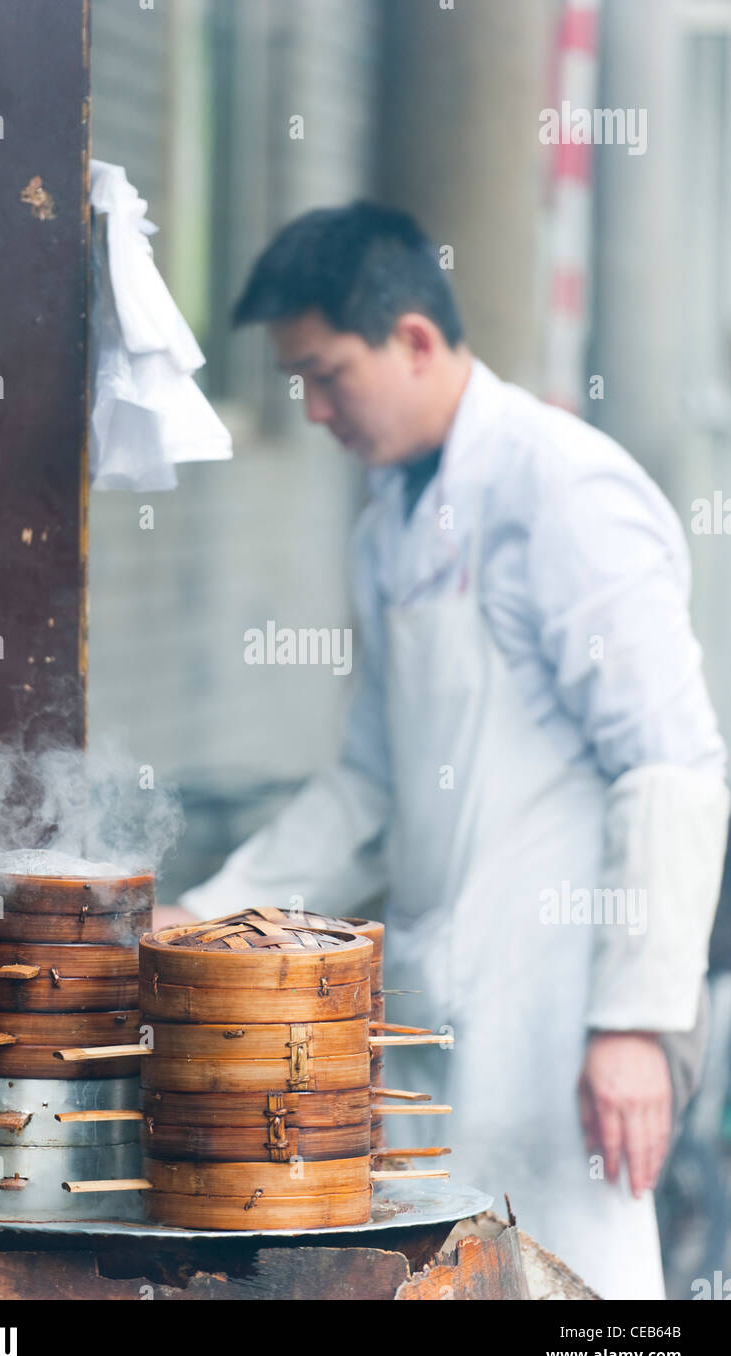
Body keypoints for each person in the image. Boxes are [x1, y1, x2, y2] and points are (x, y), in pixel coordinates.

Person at [156, 202, 730, 1299]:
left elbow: (671, 761)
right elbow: (368, 777)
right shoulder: (388, 521)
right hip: (439, 1001)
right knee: (440, 1278)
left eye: (326, 375)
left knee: (579, 1287)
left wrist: (636, 1024)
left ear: (415, 339)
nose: (315, 410)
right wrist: (219, 911)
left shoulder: (562, 491)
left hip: (562, 1016)